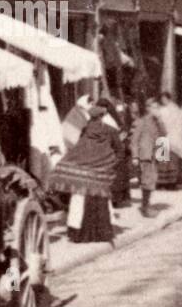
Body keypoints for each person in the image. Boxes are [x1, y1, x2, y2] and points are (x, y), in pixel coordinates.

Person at [49, 103, 119, 243]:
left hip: (83, 176)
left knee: (78, 203)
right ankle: (101, 235)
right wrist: (110, 163)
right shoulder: (109, 130)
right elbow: (119, 150)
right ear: (102, 116)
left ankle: (79, 235)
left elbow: (78, 150)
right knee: (101, 202)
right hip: (100, 174)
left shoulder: (85, 130)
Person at [130, 96, 162, 217]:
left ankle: (146, 205)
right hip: (145, 155)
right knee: (147, 181)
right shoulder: (142, 122)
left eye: (158, 107)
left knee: (152, 180)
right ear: (148, 108)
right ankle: (145, 207)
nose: (157, 109)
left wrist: (162, 156)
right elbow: (134, 140)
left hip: (155, 155)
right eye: (154, 107)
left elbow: (164, 135)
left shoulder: (157, 121)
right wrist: (135, 156)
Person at [153, 91, 182, 189]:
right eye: (162, 99)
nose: (163, 100)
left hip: (173, 136)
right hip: (163, 136)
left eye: (165, 98)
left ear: (168, 98)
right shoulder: (161, 109)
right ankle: (162, 182)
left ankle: (172, 183)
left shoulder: (174, 109)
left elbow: (178, 124)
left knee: (172, 161)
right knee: (162, 160)